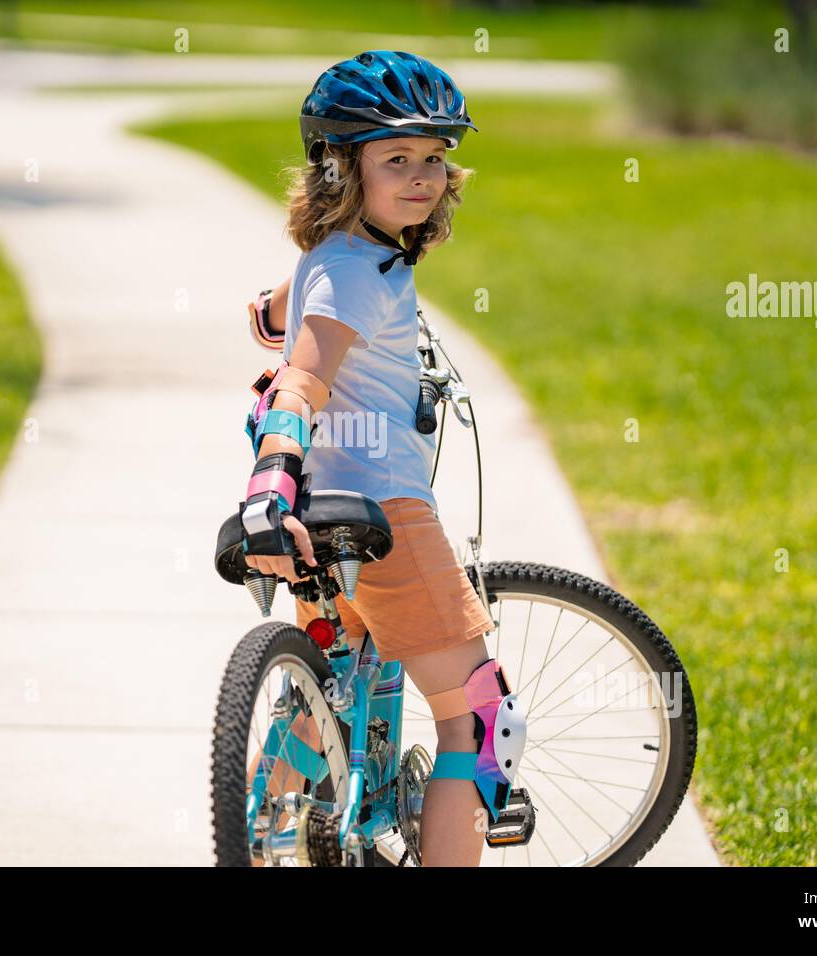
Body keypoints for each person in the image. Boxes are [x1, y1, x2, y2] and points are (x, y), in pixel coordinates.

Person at [238, 51, 527, 867]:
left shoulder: (339, 255)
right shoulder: (357, 272)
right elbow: (302, 377)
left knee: (326, 695)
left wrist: (269, 312)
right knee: (479, 720)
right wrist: (271, 475)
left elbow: (288, 322)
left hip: (326, 521)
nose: (423, 178)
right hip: (390, 517)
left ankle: (262, 837)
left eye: (434, 158)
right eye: (396, 160)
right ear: (340, 169)